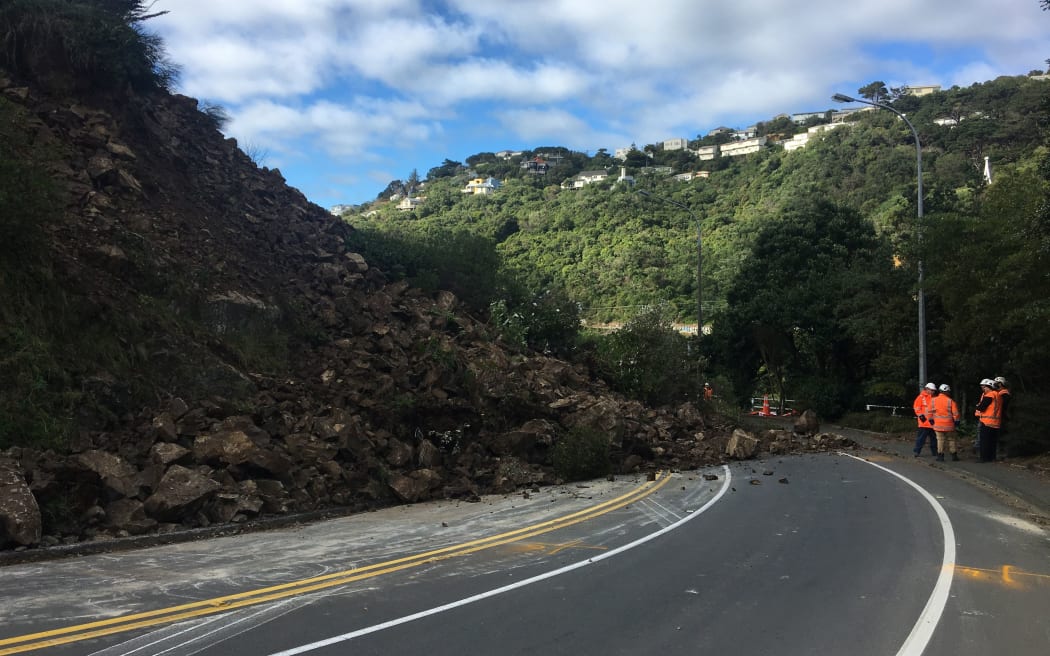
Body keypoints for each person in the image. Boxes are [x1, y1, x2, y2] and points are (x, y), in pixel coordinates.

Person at [931, 383, 961, 461]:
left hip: (938, 425)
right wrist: (957, 421)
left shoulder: (933, 400)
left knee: (940, 440)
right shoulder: (950, 401)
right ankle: (954, 456)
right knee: (951, 439)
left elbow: (929, 412)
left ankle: (940, 456)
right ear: (947, 392)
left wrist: (931, 420)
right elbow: (956, 413)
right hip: (949, 425)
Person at [975, 378, 1001, 462]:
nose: (983, 389)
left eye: (984, 387)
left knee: (984, 441)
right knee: (992, 441)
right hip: (996, 422)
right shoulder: (998, 395)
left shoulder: (990, 395)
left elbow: (982, 407)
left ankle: (983, 458)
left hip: (987, 422)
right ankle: (991, 457)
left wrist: (977, 406)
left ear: (989, 387)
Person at [912, 382, 938, 457]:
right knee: (921, 439)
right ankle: (917, 451)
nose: (933, 391)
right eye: (932, 390)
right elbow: (917, 407)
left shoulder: (935, 398)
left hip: (933, 422)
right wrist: (921, 417)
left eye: (934, 390)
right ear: (927, 389)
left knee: (934, 439)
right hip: (924, 423)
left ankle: (934, 452)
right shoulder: (921, 397)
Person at [993, 376, 1012, 455]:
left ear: (1000, 384)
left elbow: (1002, 407)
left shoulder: (1004, 394)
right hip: (1001, 417)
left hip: (1002, 417)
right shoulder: (1001, 393)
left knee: (1001, 435)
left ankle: (1002, 452)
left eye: (996, 383)